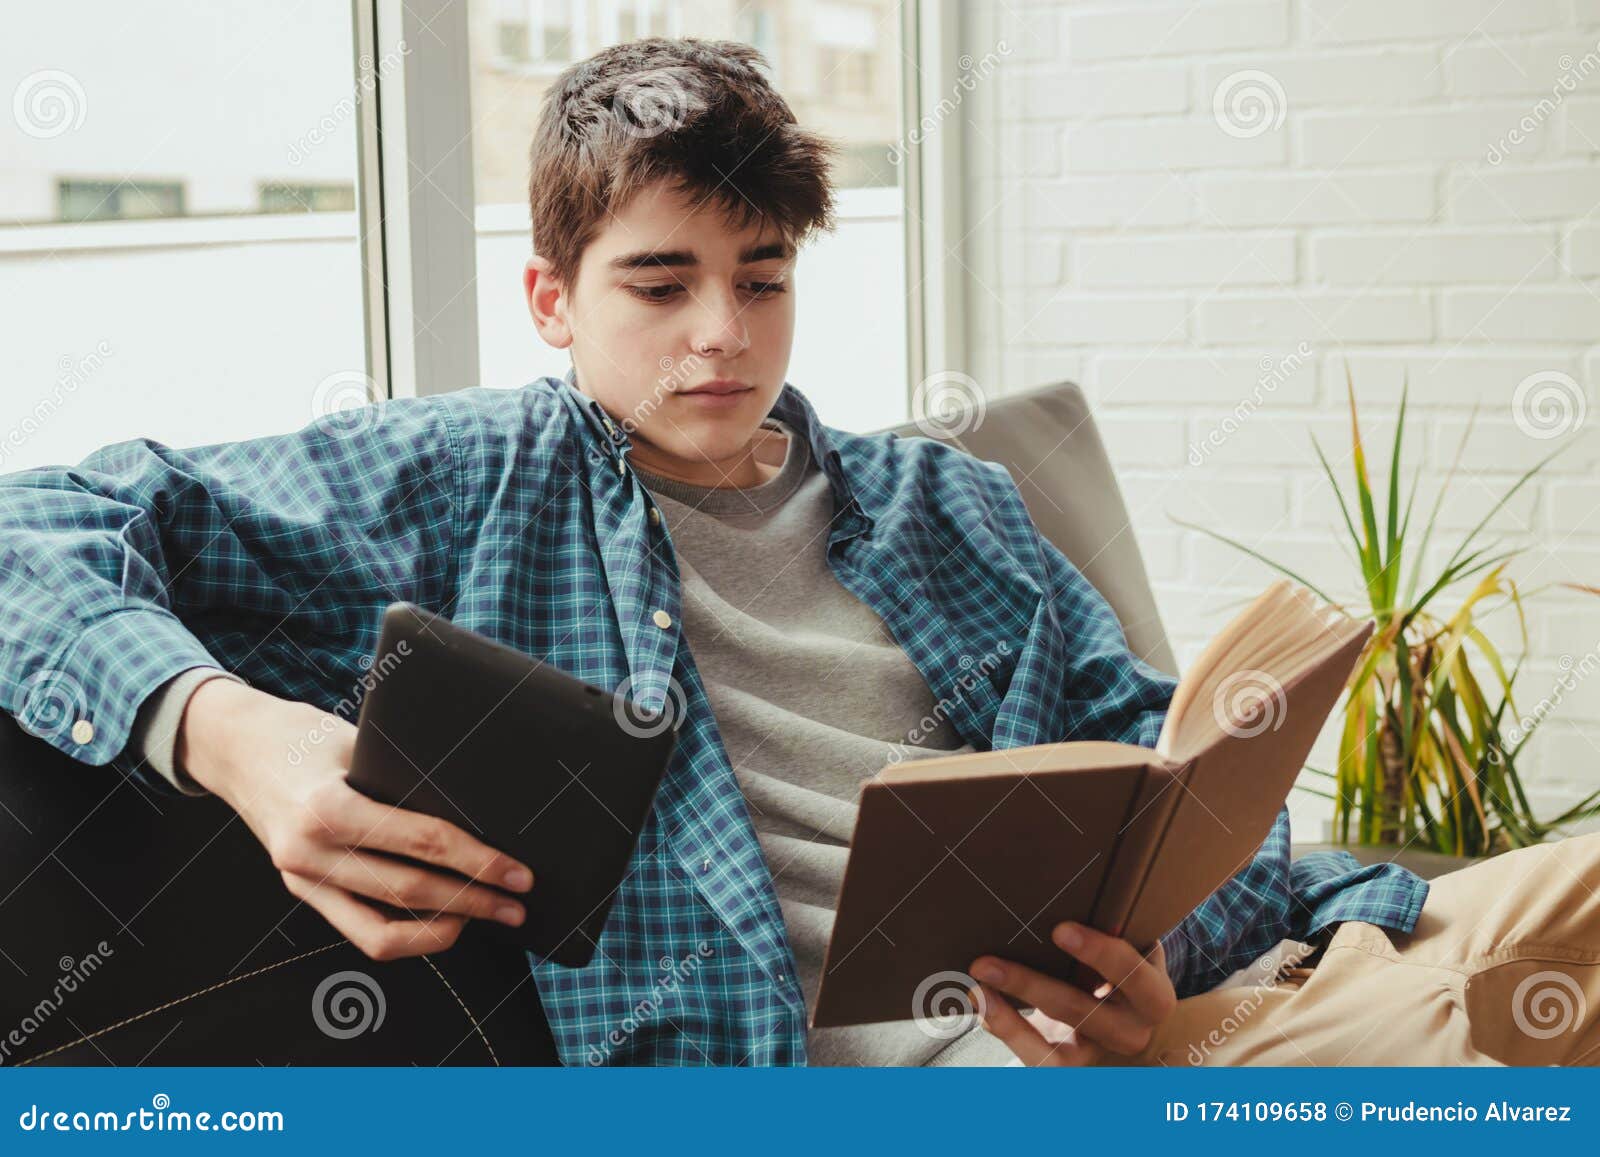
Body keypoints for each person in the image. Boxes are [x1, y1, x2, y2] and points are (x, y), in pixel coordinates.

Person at [2, 37, 1593, 1067]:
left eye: (760, 278)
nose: (721, 334)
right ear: (553, 299)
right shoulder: (467, 477)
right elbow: (30, 534)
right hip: (896, 1077)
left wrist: (1156, 945)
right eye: (660, 282)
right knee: (1467, 1049)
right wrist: (235, 736)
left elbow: (1165, 767)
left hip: (1163, 1017)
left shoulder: (945, 506)